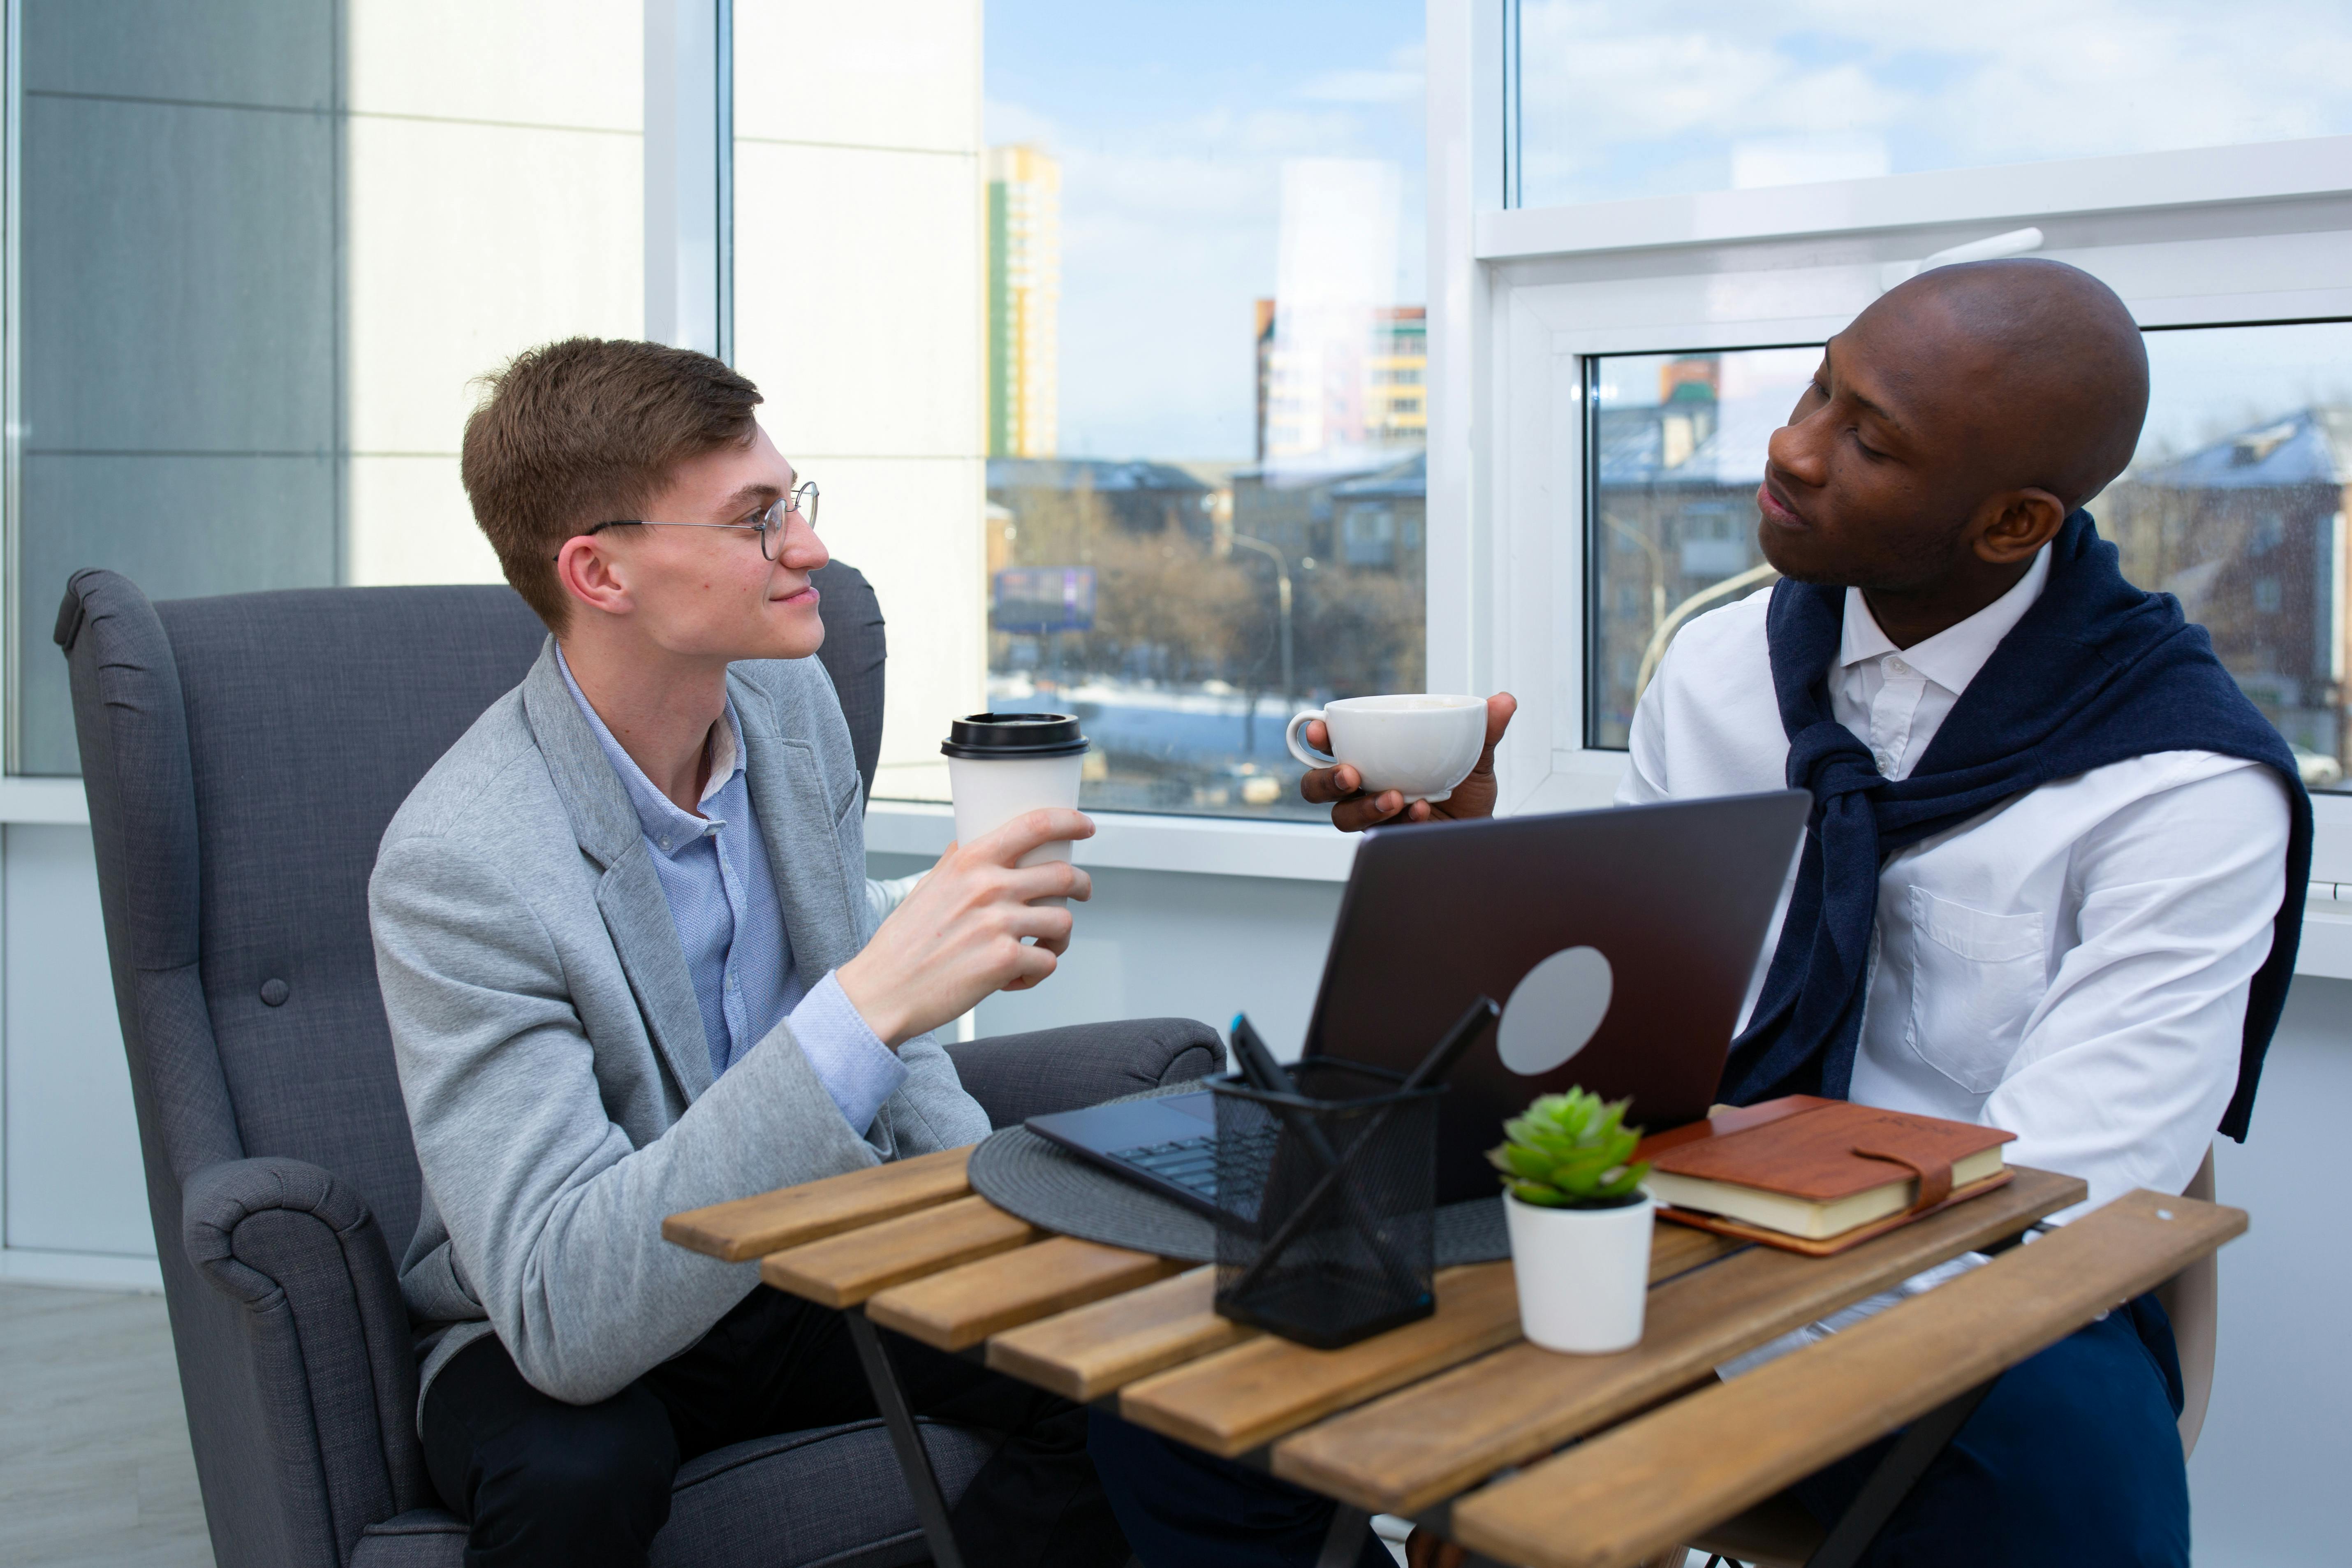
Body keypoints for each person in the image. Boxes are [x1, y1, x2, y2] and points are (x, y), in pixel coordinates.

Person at [1301, 259, 2313, 1568]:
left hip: (1976, 1286)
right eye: (1819, 385)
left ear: (2012, 524)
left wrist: (1726, 1308)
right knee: (1272, 1316)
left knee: (2067, 1476)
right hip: (1679, 1213)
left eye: (1868, 438)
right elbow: (1648, 1019)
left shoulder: (2183, 786)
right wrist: (1469, 875)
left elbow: (2066, 1194)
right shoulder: (1721, 670)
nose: (1792, 446)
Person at [369, 338, 1130, 1568]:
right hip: (568, 1325)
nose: (809, 547)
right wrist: (869, 1003)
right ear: (600, 571)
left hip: (801, 1262)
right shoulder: (462, 862)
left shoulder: (789, 704)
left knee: (1100, 1352)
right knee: (576, 1474)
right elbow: (566, 1307)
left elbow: (906, 1047)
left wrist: (1000, 1230)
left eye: (796, 502)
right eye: (756, 520)